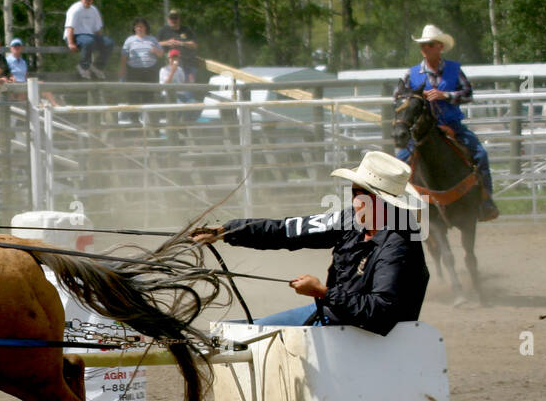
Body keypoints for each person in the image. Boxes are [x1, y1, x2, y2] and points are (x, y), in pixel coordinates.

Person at [189, 151, 429, 336]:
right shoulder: (351, 222)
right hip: (337, 320)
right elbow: (289, 230)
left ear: (378, 201)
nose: (353, 199)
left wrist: (322, 292)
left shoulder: (398, 246)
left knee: (237, 337)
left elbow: (380, 311)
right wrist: (229, 231)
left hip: (355, 332)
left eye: (357, 193)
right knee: (232, 332)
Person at [393, 24, 498, 221]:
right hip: (422, 130)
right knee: (399, 162)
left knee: (480, 155)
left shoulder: (454, 70)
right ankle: (399, 208)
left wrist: (445, 95)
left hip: (452, 126)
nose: (424, 48)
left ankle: (485, 201)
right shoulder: (411, 73)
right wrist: (416, 97)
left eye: (429, 44)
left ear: (439, 46)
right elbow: (397, 96)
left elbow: (467, 94)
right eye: (422, 45)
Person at [65, 0, 113, 80]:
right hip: (75, 35)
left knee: (109, 42)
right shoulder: (75, 9)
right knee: (88, 41)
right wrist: (70, 43)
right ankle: (83, 67)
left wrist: (101, 43)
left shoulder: (94, 10)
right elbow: (70, 27)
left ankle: (97, 67)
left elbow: (97, 29)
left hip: (89, 36)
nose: (87, 0)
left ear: (92, 0)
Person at [119, 17, 162, 102]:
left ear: (145, 27)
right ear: (134, 28)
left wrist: (156, 51)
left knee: (149, 95)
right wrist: (122, 69)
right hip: (134, 70)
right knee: (133, 95)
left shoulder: (152, 39)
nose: (139, 28)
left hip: (150, 70)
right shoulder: (129, 40)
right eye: (137, 26)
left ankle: (148, 115)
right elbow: (124, 56)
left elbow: (161, 54)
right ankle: (133, 115)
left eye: (141, 26)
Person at [158, 8, 199, 82]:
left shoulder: (186, 30)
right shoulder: (163, 30)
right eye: (171, 18)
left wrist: (181, 43)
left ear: (179, 19)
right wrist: (167, 42)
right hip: (169, 66)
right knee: (171, 88)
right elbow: (155, 44)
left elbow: (195, 44)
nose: (173, 20)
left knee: (188, 90)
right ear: (168, 19)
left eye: (175, 18)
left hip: (187, 64)